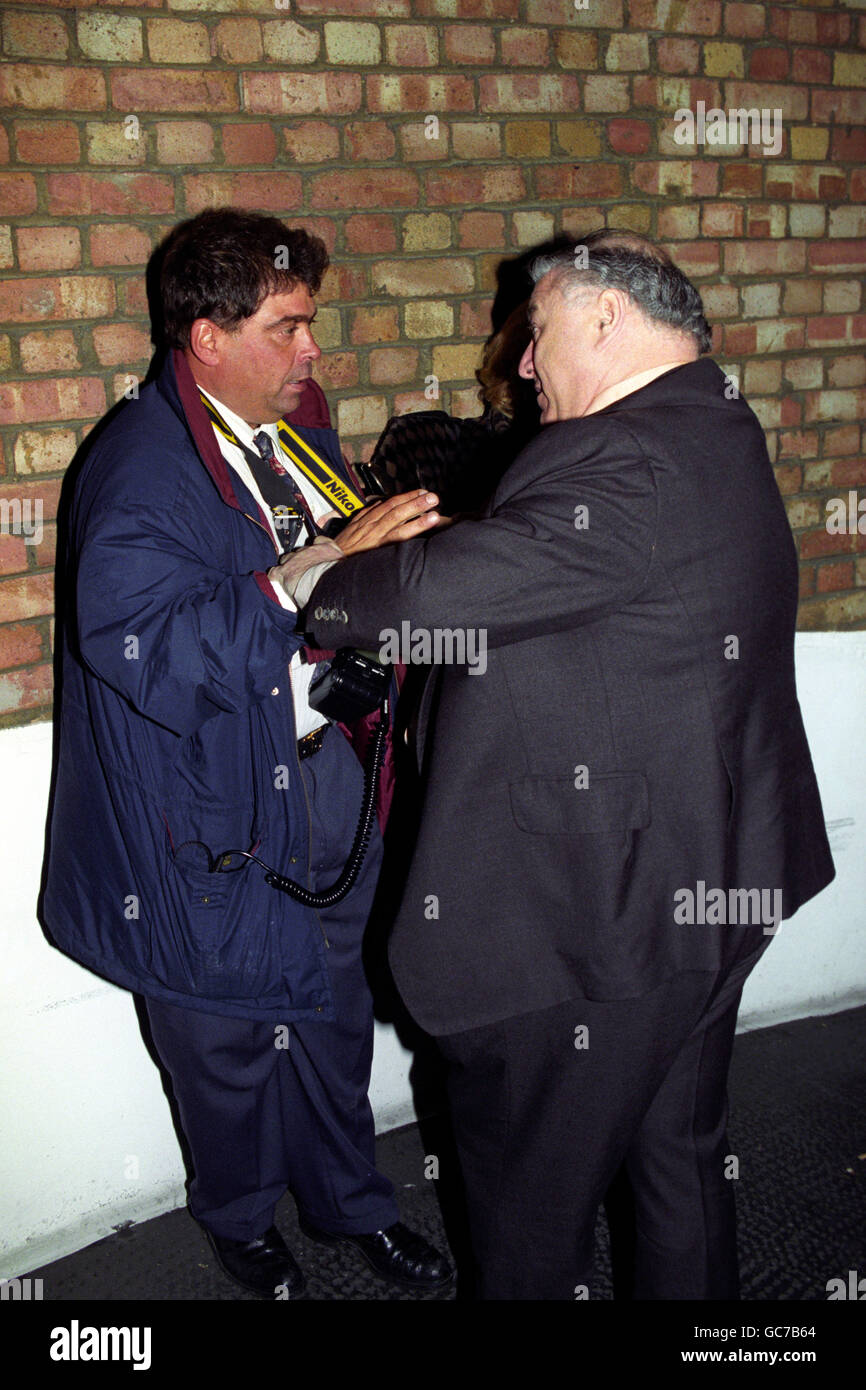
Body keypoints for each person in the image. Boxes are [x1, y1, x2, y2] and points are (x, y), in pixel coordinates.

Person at [280, 231, 836, 1299]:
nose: (522, 364)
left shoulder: (617, 457)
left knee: (527, 1221)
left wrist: (330, 577)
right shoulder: (714, 420)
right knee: (675, 1160)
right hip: (708, 880)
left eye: (533, 335)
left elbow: (432, 596)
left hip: (596, 924)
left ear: (601, 319)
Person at [41, 207, 451, 1300]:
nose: (313, 349)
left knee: (328, 1017)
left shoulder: (292, 419)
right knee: (221, 1050)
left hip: (322, 782)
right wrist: (311, 570)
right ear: (206, 339)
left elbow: (321, 547)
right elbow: (147, 650)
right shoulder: (136, 469)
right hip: (202, 817)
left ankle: (349, 1203)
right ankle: (236, 1224)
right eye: (288, 326)